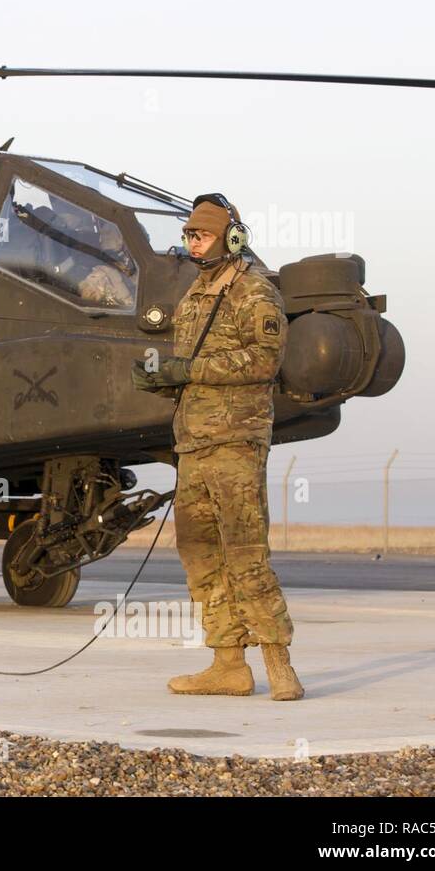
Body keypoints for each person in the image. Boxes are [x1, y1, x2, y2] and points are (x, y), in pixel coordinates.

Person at [131, 195, 304, 701]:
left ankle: (280, 665)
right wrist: (164, 380)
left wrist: (192, 370)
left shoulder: (255, 292)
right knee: (200, 553)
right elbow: (192, 366)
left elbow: (264, 361)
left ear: (231, 239)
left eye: (201, 235)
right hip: (194, 443)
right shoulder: (196, 294)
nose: (192, 243)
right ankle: (228, 664)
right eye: (188, 235)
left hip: (234, 443)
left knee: (246, 552)